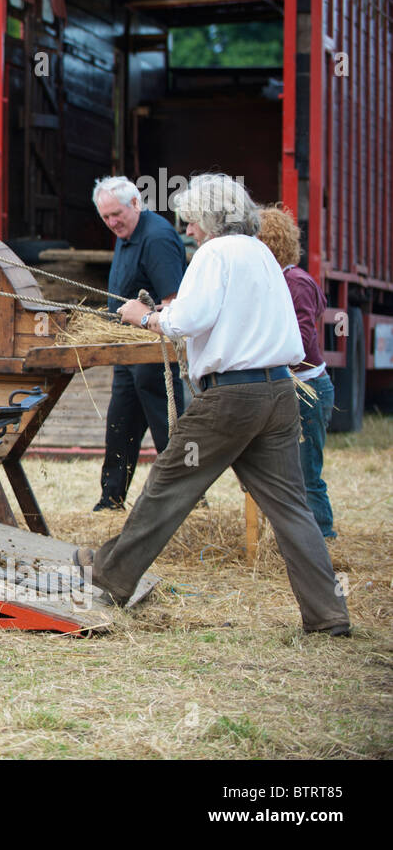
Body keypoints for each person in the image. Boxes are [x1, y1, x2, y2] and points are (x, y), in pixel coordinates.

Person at [75, 174, 350, 636]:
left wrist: (145, 316)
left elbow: (188, 319)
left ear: (210, 218)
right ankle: (329, 614)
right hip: (278, 395)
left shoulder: (215, 254)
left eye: (192, 221)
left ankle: (108, 576)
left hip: (231, 398)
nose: (189, 230)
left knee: (167, 484)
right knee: (292, 509)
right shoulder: (263, 254)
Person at [93, 176, 187, 511]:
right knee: (120, 425)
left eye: (116, 214)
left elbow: (174, 302)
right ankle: (111, 500)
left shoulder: (157, 238)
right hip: (128, 350)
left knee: (167, 429)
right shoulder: (126, 234)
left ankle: (186, 499)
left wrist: (145, 318)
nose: (112, 222)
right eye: (105, 217)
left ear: (135, 203)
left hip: (154, 352)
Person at [258, 205, 336, 540]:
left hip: (307, 387)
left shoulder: (296, 282)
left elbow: (300, 341)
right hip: (289, 386)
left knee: (306, 471)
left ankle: (323, 536)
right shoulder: (279, 280)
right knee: (287, 469)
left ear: (268, 244)